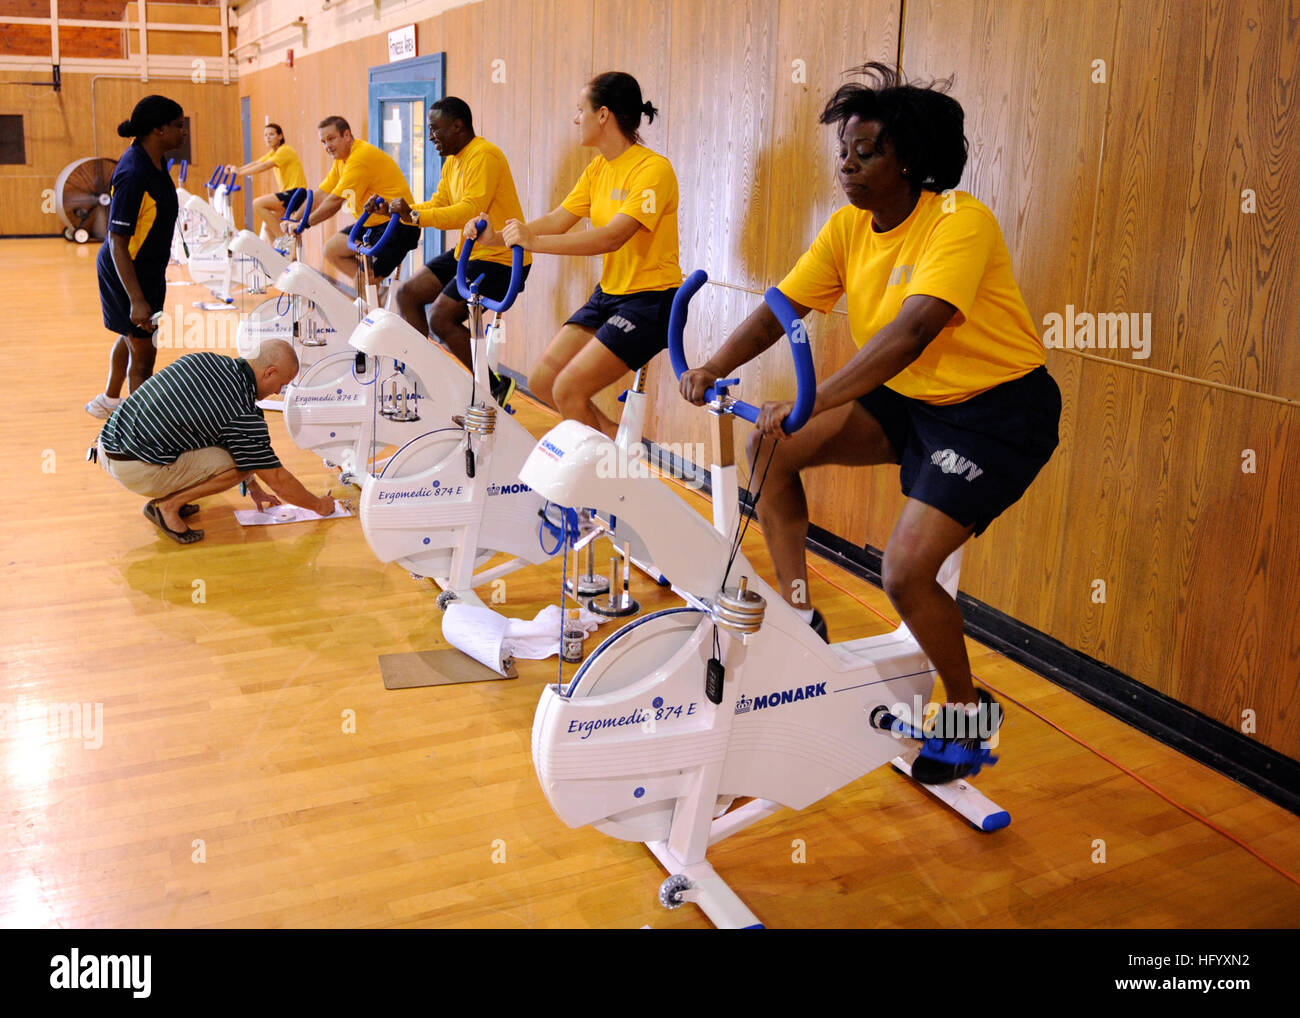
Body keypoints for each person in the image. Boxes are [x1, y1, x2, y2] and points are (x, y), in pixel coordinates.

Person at [679, 63, 1062, 784]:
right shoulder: (849, 228)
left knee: (906, 571)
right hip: (914, 397)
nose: (847, 165)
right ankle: (799, 615)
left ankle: (970, 713)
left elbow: (911, 333)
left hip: (994, 414)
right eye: (843, 152)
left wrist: (816, 397)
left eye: (867, 151)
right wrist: (713, 362)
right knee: (775, 450)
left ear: (910, 159)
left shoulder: (959, 222)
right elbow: (780, 310)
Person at [466, 72, 680, 438]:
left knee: (569, 389)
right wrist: (498, 238)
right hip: (609, 294)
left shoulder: (653, 170)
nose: (575, 118)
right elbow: (558, 219)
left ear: (603, 115)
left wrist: (532, 242)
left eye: (580, 109)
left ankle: (604, 473)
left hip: (649, 302)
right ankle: (617, 446)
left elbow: (612, 238)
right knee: (544, 381)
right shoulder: (598, 168)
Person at [92, 340, 336, 545]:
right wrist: (319, 505)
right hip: (135, 466)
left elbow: (216, 433)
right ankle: (167, 506)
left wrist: (254, 488)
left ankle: (175, 493)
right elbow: (278, 480)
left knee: (234, 452)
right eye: (281, 384)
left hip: (110, 443)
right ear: (269, 372)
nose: (277, 392)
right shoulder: (240, 410)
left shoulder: (210, 362)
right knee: (242, 465)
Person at [381, 97, 531, 406]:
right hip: (470, 251)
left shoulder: (484, 156)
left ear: (457, 126)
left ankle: (494, 387)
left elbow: (468, 212)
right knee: (407, 294)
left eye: (435, 130)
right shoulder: (453, 161)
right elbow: (439, 205)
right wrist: (391, 210)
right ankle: (423, 377)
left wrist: (414, 216)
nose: (431, 138)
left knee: (441, 319)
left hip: (499, 258)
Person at [85, 96, 187, 419]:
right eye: (178, 126)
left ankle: (110, 400)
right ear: (159, 130)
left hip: (147, 270)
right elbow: (117, 241)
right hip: (125, 272)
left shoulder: (154, 161)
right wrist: (136, 299)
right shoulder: (133, 173)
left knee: (130, 340)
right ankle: (141, 433)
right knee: (143, 359)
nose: (183, 133)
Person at [285, 115, 420, 292]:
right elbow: (323, 192)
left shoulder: (359, 158)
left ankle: (372, 295)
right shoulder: (341, 160)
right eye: (323, 142)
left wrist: (306, 223)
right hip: (373, 224)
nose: (327, 146)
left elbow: (334, 201)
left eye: (331, 139)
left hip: (398, 226)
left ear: (347, 135)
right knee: (332, 250)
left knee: (363, 281)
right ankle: (376, 291)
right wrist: (295, 219)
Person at [226, 122, 308, 239]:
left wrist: (240, 173)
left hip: (296, 193)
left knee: (258, 204)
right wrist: (238, 169)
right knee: (269, 228)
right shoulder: (273, 152)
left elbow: (265, 166)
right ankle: (281, 256)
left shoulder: (285, 150)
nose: (268, 137)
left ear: (280, 136)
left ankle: (283, 241)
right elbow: (258, 162)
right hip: (291, 194)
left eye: (271, 134)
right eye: (265, 135)